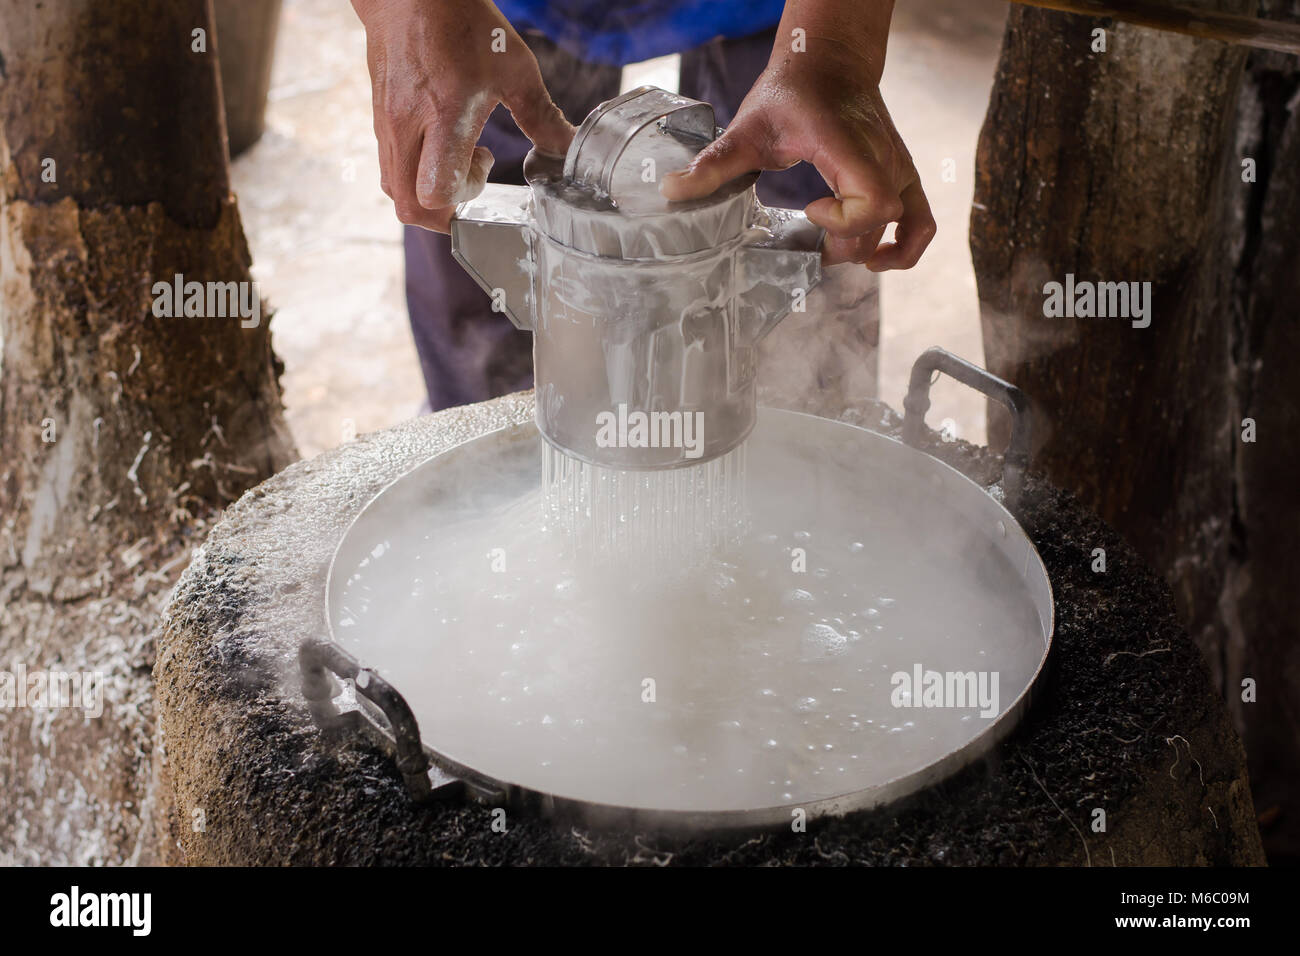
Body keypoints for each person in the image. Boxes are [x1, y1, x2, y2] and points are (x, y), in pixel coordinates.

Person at [351, 0, 935, 412]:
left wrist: (832, 51)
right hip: (496, 10)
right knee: (461, 189)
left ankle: (817, 476)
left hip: (789, 12)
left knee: (818, 224)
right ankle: (486, 471)